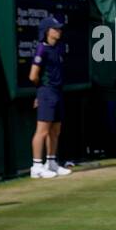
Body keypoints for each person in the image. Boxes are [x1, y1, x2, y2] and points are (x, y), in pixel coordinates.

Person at [28, 15, 71, 178]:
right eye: (55, 29)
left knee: (55, 130)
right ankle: (36, 167)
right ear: (47, 31)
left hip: (58, 92)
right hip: (47, 92)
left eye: (59, 28)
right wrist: (42, 91)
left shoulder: (58, 48)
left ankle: (51, 162)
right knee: (42, 131)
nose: (58, 31)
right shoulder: (41, 49)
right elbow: (33, 75)